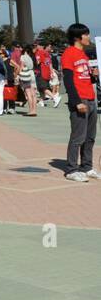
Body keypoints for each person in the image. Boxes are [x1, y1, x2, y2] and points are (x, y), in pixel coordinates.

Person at [60, 24, 97, 183]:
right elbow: (68, 80)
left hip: (91, 98)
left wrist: (94, 75)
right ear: (77, 37)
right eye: (86, 34)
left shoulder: (83, 54)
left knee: (90, 137)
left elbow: (84, 77)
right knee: (78, 137)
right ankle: (71, 169)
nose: (88, 37)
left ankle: (87, 166)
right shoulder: (69, 54)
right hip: (80, 100)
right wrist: (76, 102)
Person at [15, 45, 38, 116]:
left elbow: (21, 67)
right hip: (32, 74)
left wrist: (17, 75)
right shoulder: (31, 57)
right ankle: (34, 110)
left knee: (28, 93)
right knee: (33, 94)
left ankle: (31, 110)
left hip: (26, 75)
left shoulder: (23, 57)